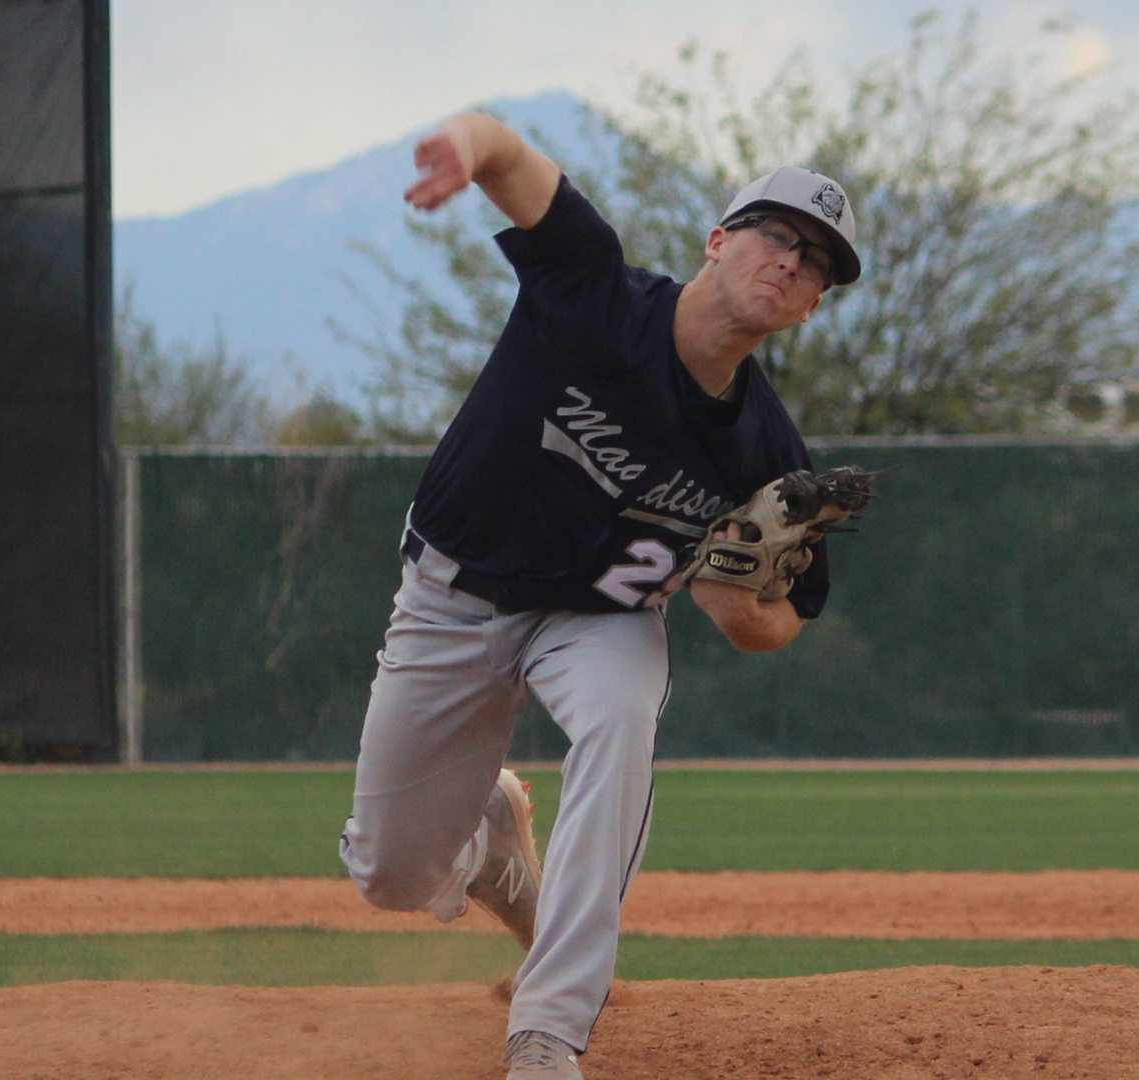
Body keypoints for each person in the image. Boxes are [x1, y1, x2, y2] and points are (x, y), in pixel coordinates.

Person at [337, 112, 862, 1080]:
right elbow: (507, 151)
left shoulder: (765, 456)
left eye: (817, 263)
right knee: (388, 875)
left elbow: (776, 622)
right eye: (777, 233)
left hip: (600, 620)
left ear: (812, 309)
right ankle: (487, 837)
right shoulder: (590, 286)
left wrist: (741, 594)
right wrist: (465, 147)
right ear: (719, 239)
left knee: (622, 717)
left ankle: (547, 1031)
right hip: (454, 597)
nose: (792, 262)